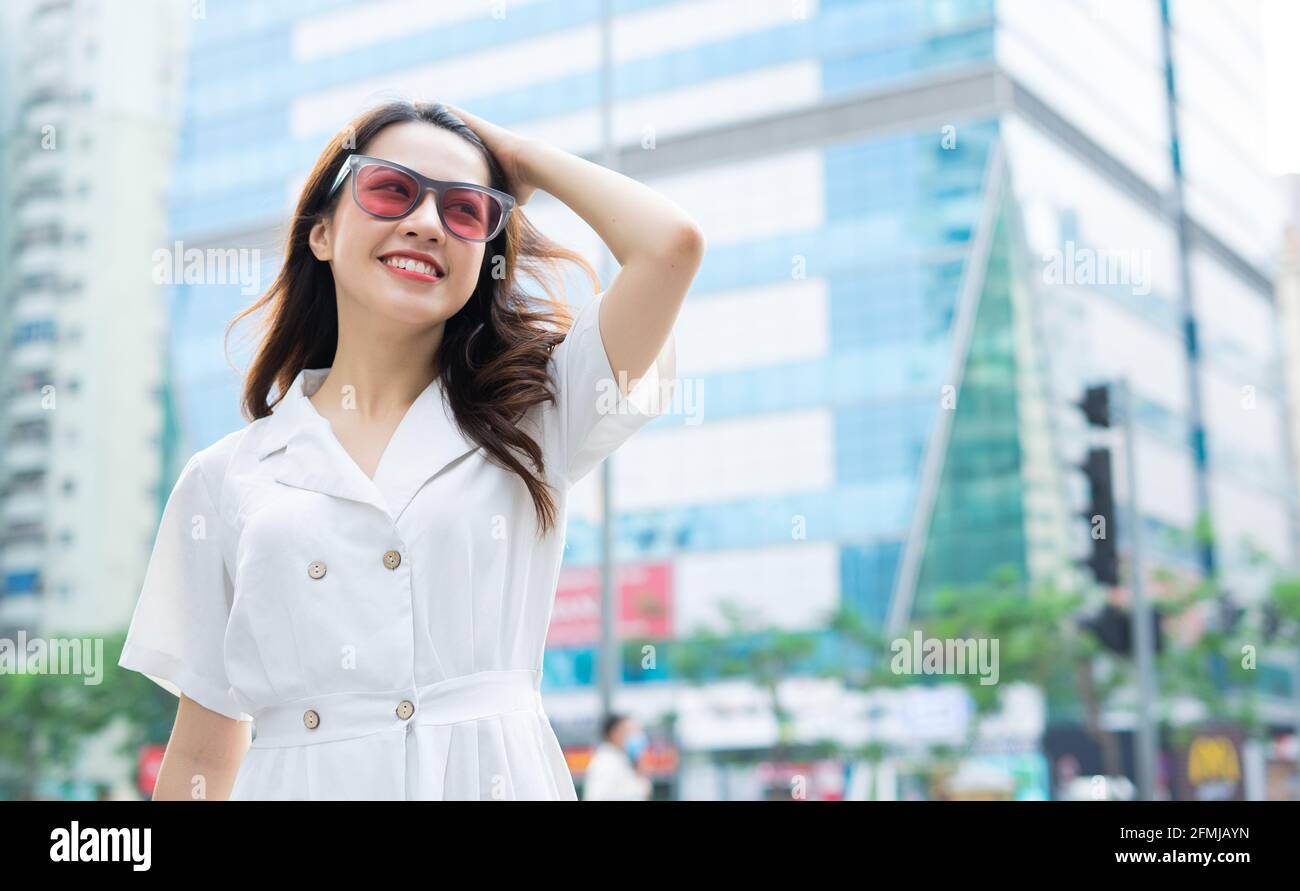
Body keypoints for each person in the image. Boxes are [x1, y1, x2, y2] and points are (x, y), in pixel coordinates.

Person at [117, 99, 704, 800]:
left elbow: (670, 245)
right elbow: (203, 757)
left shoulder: (538, 412)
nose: (426, 222)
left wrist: (518, 157)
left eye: (464, 210)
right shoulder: (225, 477)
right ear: (323, 233)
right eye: (391, 189)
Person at [583, 714, 652, 801]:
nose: (633, 736)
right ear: (614, 733)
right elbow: (601, 797)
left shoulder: (619, 758)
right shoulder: (605, 762)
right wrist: (641, 789)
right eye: (628, 731)